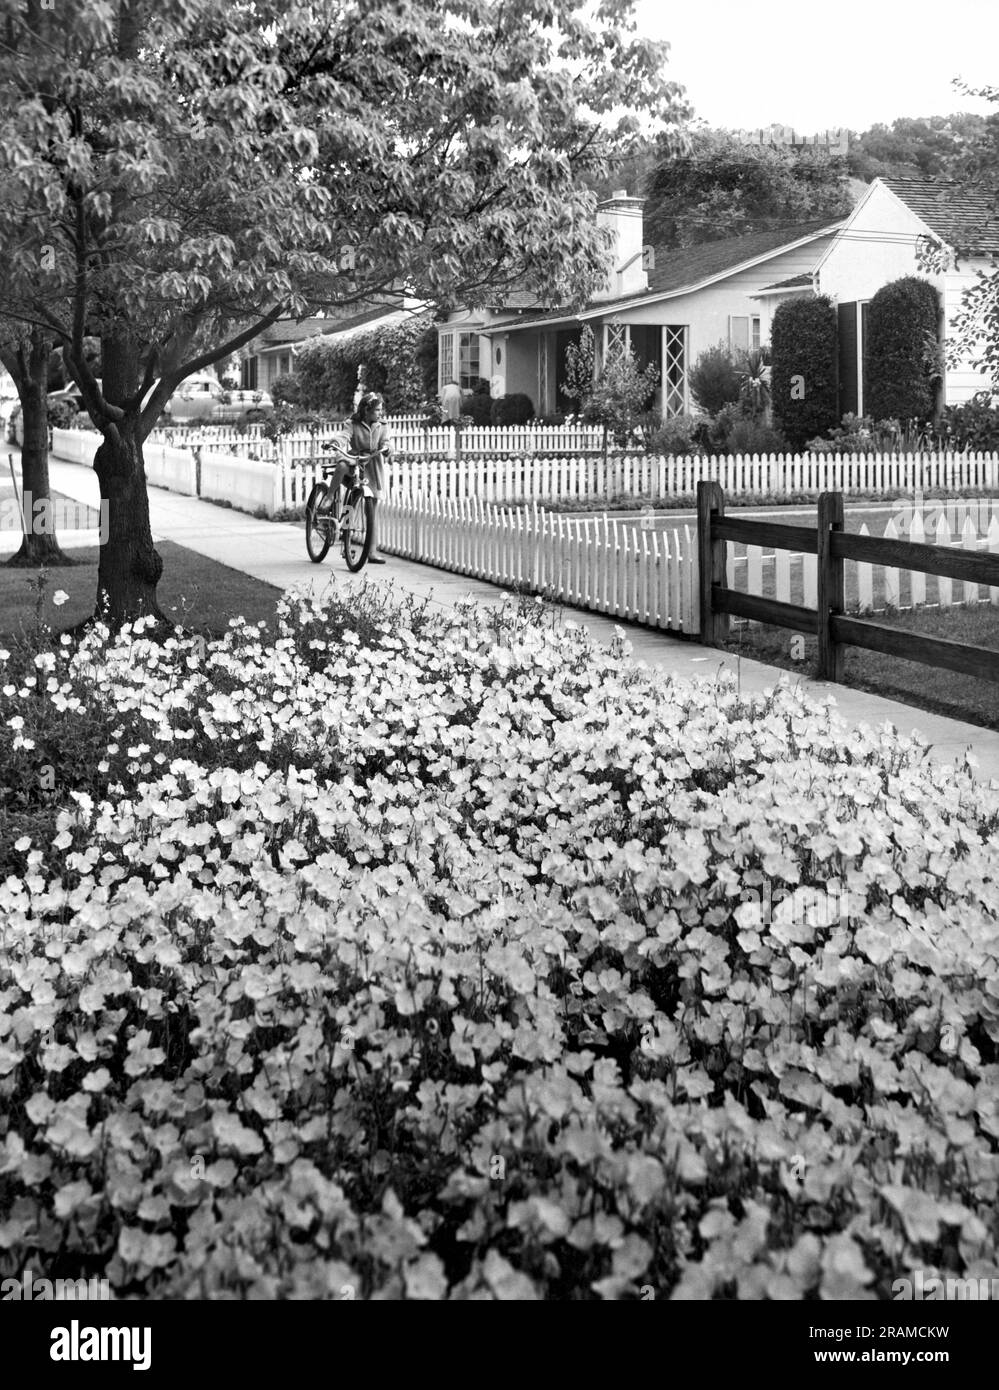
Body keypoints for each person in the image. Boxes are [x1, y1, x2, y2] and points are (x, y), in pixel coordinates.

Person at [328, 390, 392, 563]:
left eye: (381, 410)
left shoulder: (382, 425)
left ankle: (371, 552)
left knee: (372, 511)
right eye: (377, 410)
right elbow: (344, 436)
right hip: (355, 460)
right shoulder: (352, 423)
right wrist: (336, 442)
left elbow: (386, 441)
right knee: (350, 499)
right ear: (366, 410)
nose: (380, 413)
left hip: (372, 466)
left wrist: (387, 448)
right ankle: (328, 498)